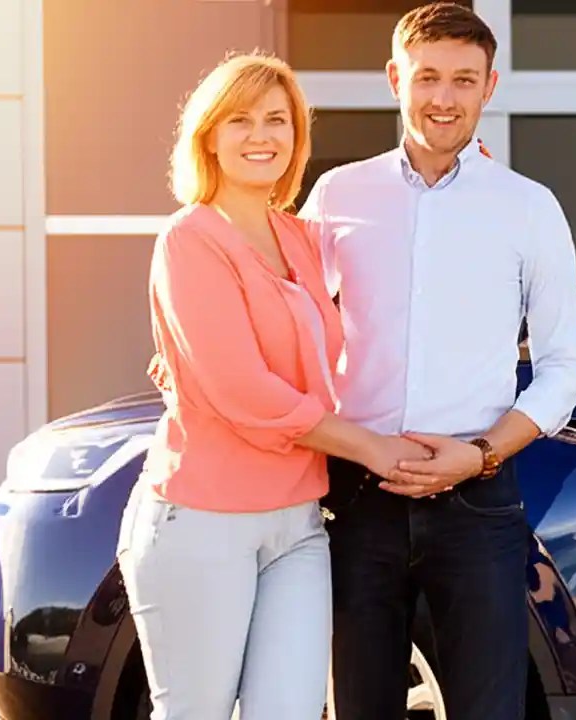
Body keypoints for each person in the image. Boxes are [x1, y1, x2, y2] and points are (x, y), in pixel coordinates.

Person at [116, 53, 430, 720]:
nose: (261, 135)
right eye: (240, 120)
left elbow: (386, 244)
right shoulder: (189, 238)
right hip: (202, 522)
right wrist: (366, 446)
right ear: (209, 136)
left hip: (297, 526)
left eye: (276, 120)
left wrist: (456, 177)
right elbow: (244, 391)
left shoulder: (299, 235)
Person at [298, 3, 576, 719]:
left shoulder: (529, 207)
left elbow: (561, 367)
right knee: (361, 706)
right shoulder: (338, 196)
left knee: (488, 709)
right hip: (357, 500)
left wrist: (481, 454)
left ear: (490, 86)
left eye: (464, 80)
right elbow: (289, 323)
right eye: (427, 77)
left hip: (477, 506)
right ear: (395, 78)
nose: (443, 98)